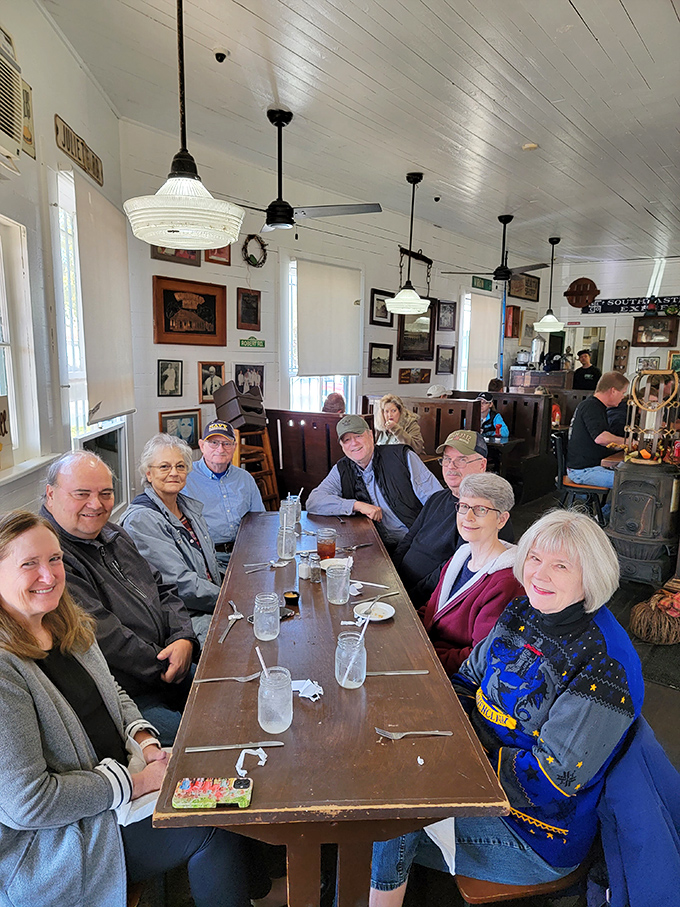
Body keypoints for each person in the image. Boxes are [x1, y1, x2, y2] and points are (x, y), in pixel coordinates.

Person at [370, 510, 644, 902]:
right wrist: (445, 747)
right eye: (534, 558)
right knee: (382, 790)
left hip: (533, 833)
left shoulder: (605, 666)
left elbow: (551, 780)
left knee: (390, 817)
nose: (539, 574)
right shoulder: (522, 612)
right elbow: (467, 679)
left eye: (561, 565)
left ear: (592, 576)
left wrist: (453, 767)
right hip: (475, 775)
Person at [0, 510, 269, 907]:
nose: (49, 575)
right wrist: (137, 783)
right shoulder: (6, 670)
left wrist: (144, 742)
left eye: (55, 559)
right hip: (61, 841)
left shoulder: (65, 623)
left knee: (225, 772)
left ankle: (259, 891)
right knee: (212, 821)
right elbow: (31, 804)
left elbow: (114, 695)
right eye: (29, 564)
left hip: (123, 783)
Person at [42, 450, 198, 745]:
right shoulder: (52, 559)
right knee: (198, 740)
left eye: (105, 493)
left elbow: (161, 588)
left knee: (234, 697)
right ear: (51, 495)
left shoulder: (113, 533)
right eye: (82, 494)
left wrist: (184, 638)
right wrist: (169, 665)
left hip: (167, 665)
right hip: (127, 695)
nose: (96, 504)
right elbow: (106, 638)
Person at [121, 434, 222, 646]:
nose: (174, 473)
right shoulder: (141, 519)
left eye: (180, 466)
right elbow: (180, 584)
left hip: (209, 604)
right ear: (148, 473)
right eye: (164, 467)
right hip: (185, 620)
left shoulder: (188, 508)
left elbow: (207, 564)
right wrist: (228, 598)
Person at [393, 431, 514, 606]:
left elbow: (454, 570)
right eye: (447, 459)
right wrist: (392, 576)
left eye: (461, 460)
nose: (451, 466)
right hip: (398, 587)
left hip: (424, 600)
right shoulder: (437, 498)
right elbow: (408, 540)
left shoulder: (486, 517)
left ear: (482, 465)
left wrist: (408, 597)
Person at [419, 473, 522, 674]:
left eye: (481, 509)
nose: (468, 517)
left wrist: (425, 657)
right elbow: (431, 610)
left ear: (502, 519)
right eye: (464, 506)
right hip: (426, 651)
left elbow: (481, 655)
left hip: (451, 675)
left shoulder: (506, 581)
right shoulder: (461, 556)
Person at [306, 414, 442, 550]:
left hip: (415, 543)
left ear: (371, 435)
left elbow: (438, 503)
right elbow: (313, 502)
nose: (353, 443)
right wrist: (356, 505)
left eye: (358, 436)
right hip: (373, 545)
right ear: (342, 446)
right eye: (347, 440)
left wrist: (430, 543)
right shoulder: (342, 469)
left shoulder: (402, 457)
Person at [184, 419, 265, 570]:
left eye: (226, 443)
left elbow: (259, 521)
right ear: (202, 446)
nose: (220, 449)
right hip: (206, 557)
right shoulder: (185, 478)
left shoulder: (245, 478)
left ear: (234, 447)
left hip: (244, 553)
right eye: (213, 443)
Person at [567, 371, 629, 489]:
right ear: (613, 390)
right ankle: (607, 509)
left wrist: (620, 445)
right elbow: (601, 438)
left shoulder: (596, 405)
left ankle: (608, 508)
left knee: (631, 479)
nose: (623, 397)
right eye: (623, 392)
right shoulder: (591, 406)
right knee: (631, 483)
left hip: (589, 467)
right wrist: (628, 442)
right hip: (583, 471)